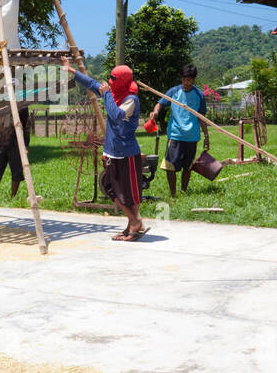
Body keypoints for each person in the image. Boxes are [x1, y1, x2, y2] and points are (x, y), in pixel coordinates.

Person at [60, 57, 146, 241]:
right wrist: (72, 70)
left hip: (127, 153)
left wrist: (106, 94)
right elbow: (91, 83)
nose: (111, 81)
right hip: (112, 152)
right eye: (111, 78)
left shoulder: (131, 100)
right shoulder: (113, 93)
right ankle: (134, 221)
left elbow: (116, 115)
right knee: (111, 187)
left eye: (115, 79)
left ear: (123, 81)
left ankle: (132, 225)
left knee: (130, 191)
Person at [148, 63, 211, 198]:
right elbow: (160, 103)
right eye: (183, 79)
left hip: (192, 136)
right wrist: (155, 112)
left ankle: (183, 191)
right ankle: (173, 194)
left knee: (187, 167)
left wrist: (206, 136)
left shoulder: (199, 95)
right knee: (170, 166)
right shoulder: (174, 91)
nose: (185, 83)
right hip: (175, 135)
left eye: (188, 80)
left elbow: (202, 118)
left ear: (193, 80)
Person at [0, 104, 31, 199]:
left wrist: (25, 146)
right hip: (0, 142)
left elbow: (26, 126)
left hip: (16, 143)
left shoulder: (23, 105)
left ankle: (13, 198)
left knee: (17, 172)